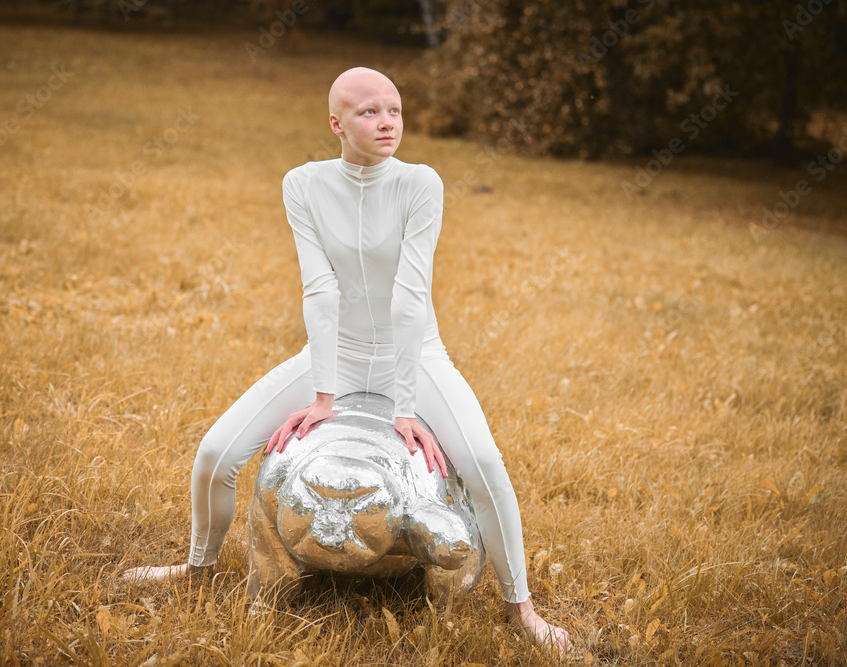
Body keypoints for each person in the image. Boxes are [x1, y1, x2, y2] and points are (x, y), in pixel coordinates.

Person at [123, 66, 571, 653]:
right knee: (215, 452)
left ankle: (523, 610)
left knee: (485, 461)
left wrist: (404, 407)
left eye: (395, 109)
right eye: (369, 111)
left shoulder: (420, 183)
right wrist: (324, 396)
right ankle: (196, 569)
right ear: (336, 123)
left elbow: (410, 297)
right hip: (336, 355)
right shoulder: (303, 184)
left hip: (414, 356)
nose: (387, 122)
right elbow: (319, 290)